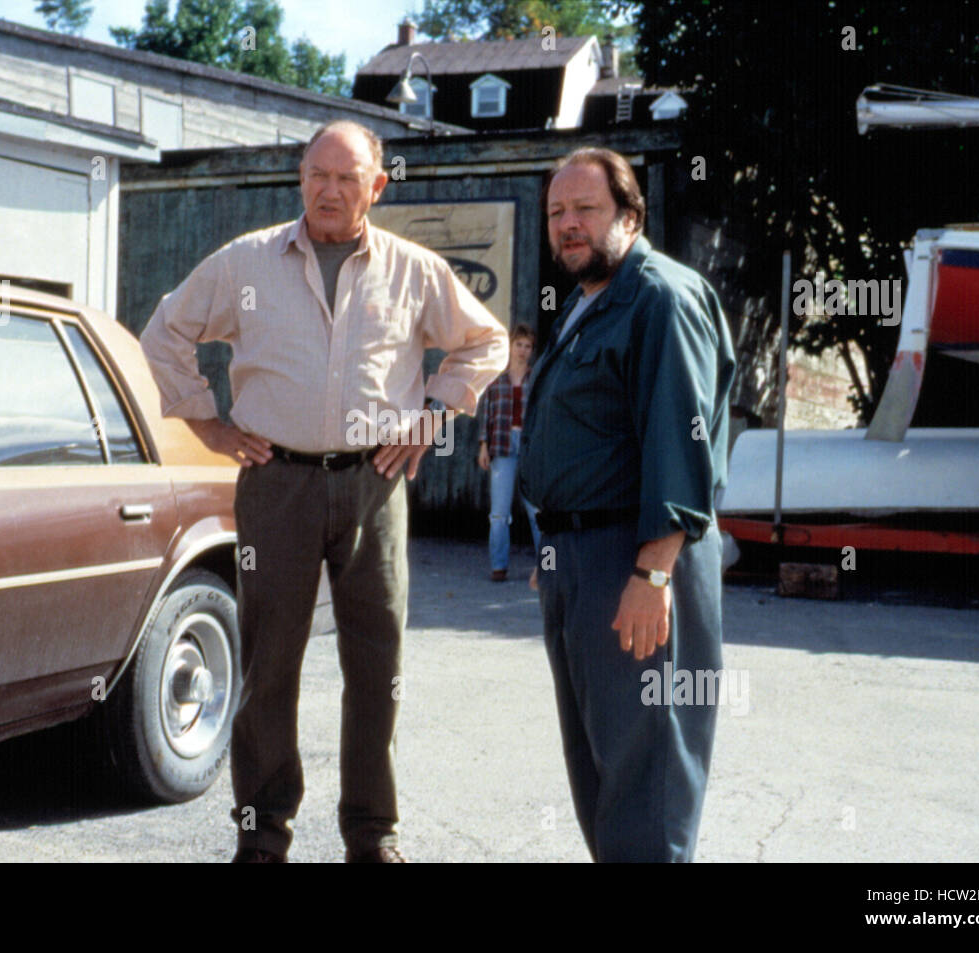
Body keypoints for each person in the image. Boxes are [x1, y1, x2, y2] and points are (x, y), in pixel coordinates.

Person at [140, 120, 507, 863]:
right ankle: (262, 835)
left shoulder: (413, 270)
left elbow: (486, 342)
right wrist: (208, 424)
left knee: (378, 667)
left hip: (376, 483)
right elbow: (165, 333)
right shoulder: (247, 262)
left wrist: (435, 416)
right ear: (299, 179)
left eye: (347, 177)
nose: (329, 190)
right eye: (316, 175)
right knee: (269, 666)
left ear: (377, 184)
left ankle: (373, 836)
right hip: (277, 484)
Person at [518, 147, 736, 862]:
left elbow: (681, 441)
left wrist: (653, 574)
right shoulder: (587, 304)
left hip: (636, 559)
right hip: (578, 558)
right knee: (601, 770)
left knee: (648, 778)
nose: (568, 225)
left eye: (585, 209)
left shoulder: (662, 297)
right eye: (556, 213)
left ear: (631, 214)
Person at [475, 323, 541, 582]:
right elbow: (487, 415)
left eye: (528, 346)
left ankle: (546, 567)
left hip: (529, 446)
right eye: (519, 345)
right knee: (499, 513)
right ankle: (498, 566)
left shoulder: (536, 378)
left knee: (538, 511)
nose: (523, 351)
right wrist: (483, 445)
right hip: (502, 444)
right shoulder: (496, 379)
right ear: (510, 346)